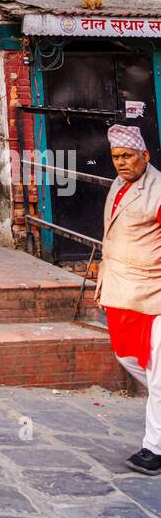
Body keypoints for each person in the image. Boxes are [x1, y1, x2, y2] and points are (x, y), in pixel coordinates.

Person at [95, 124, 161, 474]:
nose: (121, 163)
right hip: (122, 292)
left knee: (160, 375)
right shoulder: (117, 186)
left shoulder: (159, 190)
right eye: (116, 157)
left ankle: (154, 450)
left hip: (154, 293)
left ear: (145, 156)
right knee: (126, 355)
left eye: (127, 156)